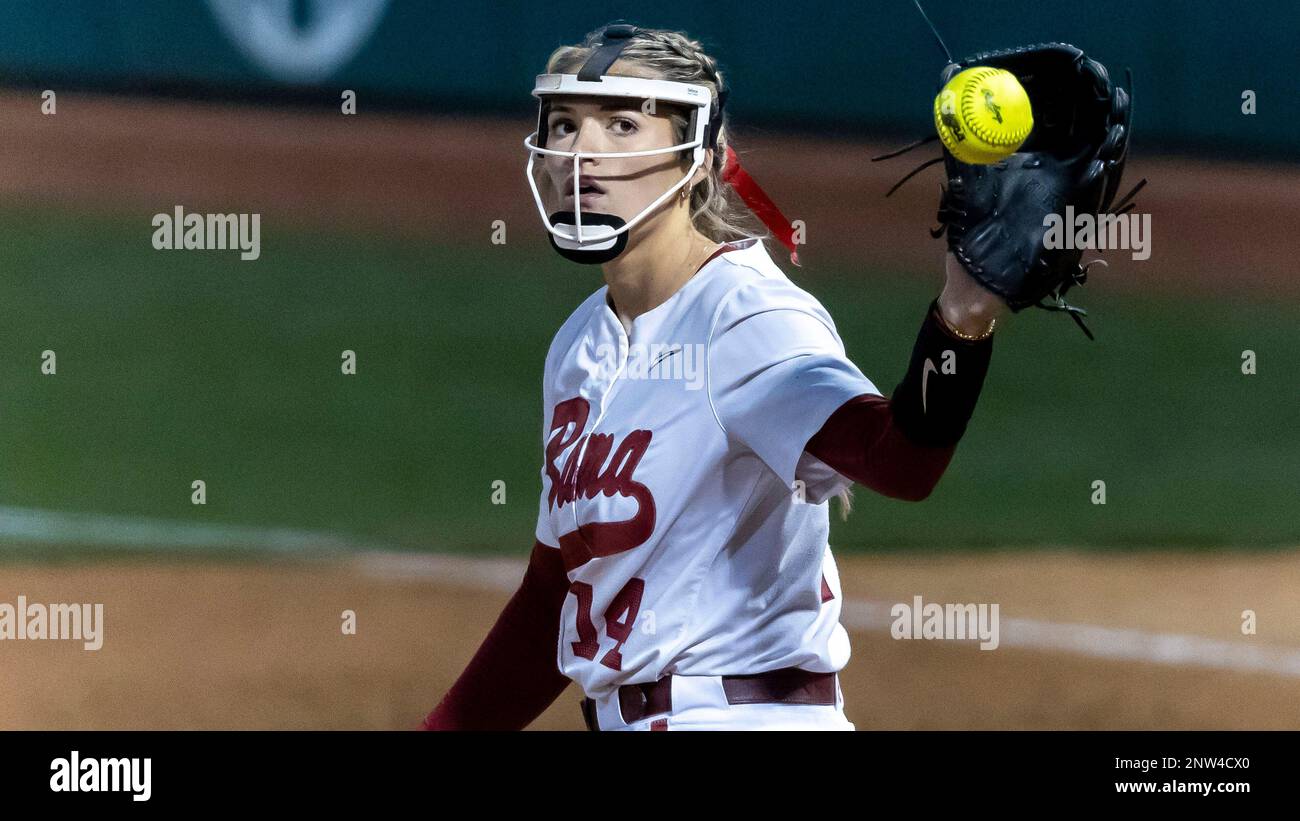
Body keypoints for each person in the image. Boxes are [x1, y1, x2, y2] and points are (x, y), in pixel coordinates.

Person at [422, 23, 1004, 731]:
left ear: (698, 158)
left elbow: (899, 460)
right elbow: (557, 595)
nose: (583, 150)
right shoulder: (579, 344)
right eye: (567, 124)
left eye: (624, 124)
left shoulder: (745, 315)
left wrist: (962, 320)